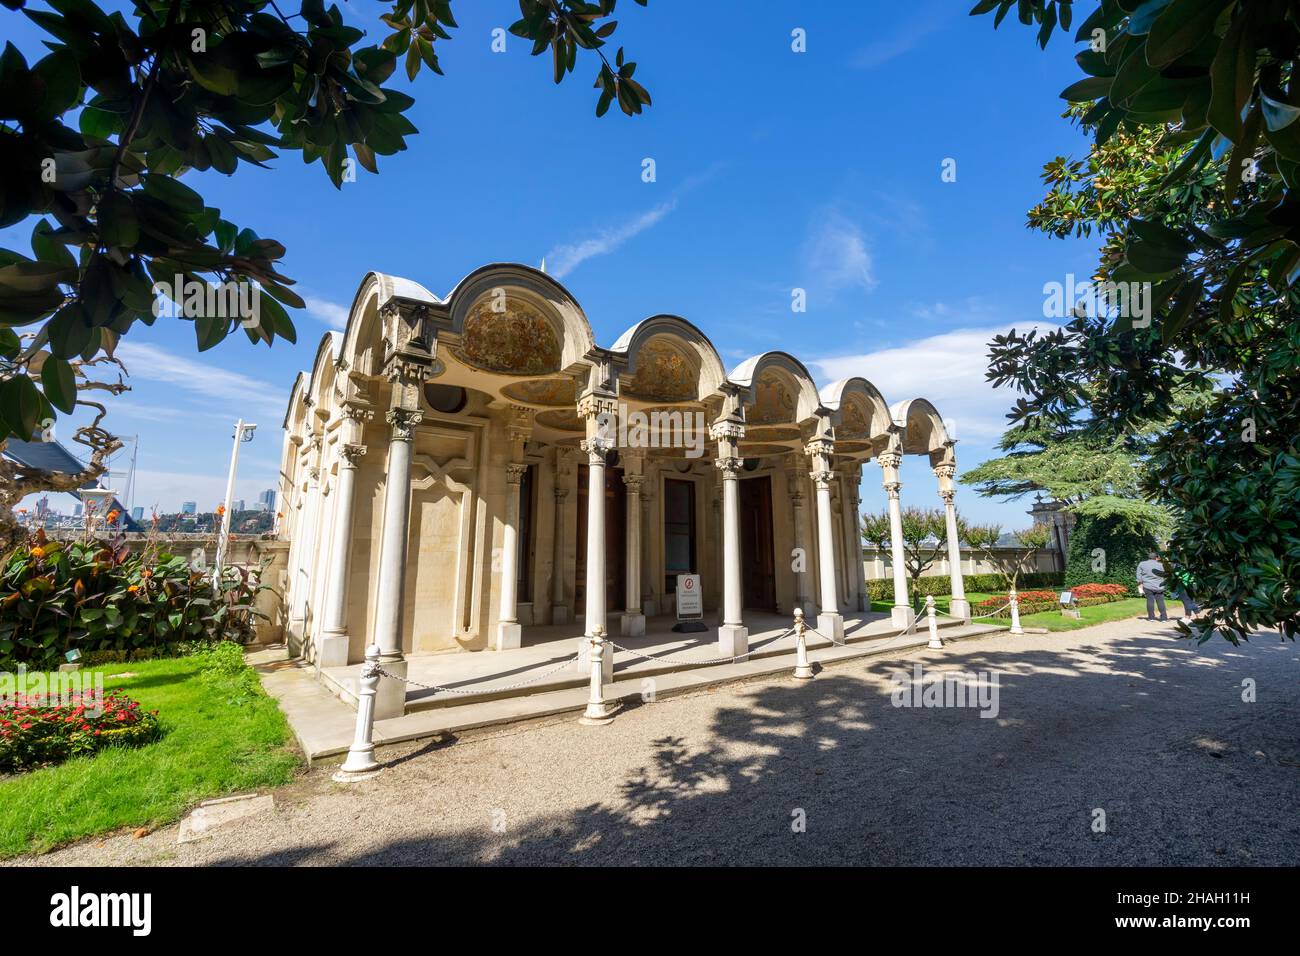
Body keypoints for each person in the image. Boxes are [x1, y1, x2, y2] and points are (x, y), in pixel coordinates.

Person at [1135, 551, 1168, 622]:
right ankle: (1164, 618)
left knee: (1150, 601)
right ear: (1156, 557)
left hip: (1147, 585)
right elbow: (1166, 575)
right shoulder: (1161, 565)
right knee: (1160, 601)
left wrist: (1140, 584)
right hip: (1159, 586)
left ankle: (1151, 617)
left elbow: (1138, 576)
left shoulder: (1142, 564)